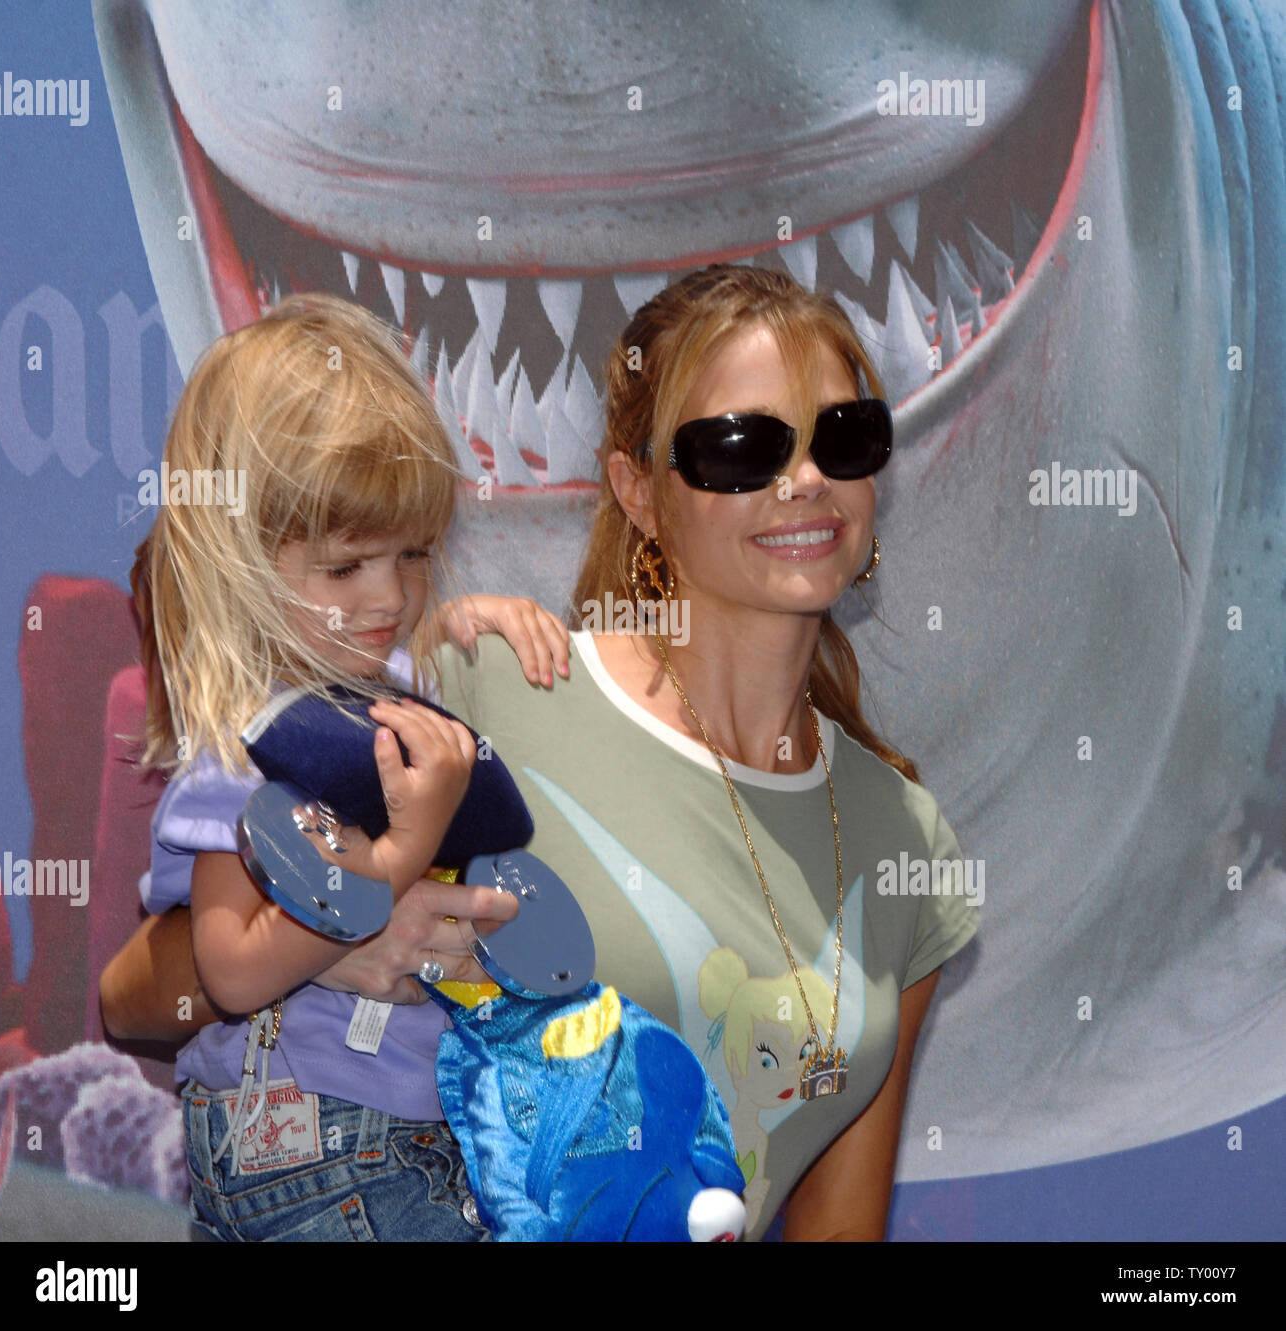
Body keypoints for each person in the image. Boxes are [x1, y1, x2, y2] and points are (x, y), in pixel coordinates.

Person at [105, 265, 979, 1241]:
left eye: (846, 435)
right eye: (741, 447)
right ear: (637, 490)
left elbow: (835, 1226)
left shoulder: (904, 841)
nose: (805, 477)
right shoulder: (482, 691)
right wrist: (344, 944)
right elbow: (138, 995)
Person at [126, 292, 568, 1242]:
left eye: (413, 554)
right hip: (321, 1147)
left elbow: (413, 653)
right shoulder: (241, 744)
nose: (392, 594)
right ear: (238, 557)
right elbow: (232, 968)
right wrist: (406, 845)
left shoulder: (375, 680)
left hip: (399, 1135)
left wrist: (478, 621)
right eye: (345, 568)